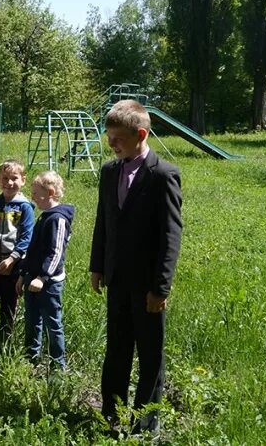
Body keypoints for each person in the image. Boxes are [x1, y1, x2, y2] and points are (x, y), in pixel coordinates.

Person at [89, 99, 182, 435]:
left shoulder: (163, 175)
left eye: (118, 139)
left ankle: (146, 422)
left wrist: (161, 287)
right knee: (117, 349)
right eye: (109, 137)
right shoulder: (109, 171)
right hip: (117, 279)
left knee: (150, 354)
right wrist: (97, 266)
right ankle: (111, 415)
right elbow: (104, 221)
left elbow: (170, 236)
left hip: (147, 285)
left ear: (141, 134)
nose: (111, 144)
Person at [17, 171, 74, 370]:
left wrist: (43, 277)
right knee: (32, 320)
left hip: (48, 283)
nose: (32, 196)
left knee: (52, 323)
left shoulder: (57, 219)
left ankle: (58, 366)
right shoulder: (44, 217)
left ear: (50, 192)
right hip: (32, 278)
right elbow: (33, 250)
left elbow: (56, 252)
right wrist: (24, 273)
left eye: (35, 193)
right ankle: (31, 358)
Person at [0, 159, 34, 337]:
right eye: (5, 178)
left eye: (14, 178)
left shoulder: (25, 207)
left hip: (13, 263)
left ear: (23, 180)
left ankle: (5, 340)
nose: (9, 183)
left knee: (8, 303)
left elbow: (27, 237)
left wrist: (12, 259)